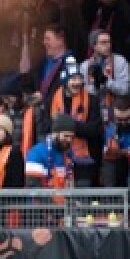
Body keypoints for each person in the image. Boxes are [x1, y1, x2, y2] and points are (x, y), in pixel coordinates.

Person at [41, 56, 101, 185]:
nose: (77, 82)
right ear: (65, 81)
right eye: (73, 79)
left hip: (84, 160)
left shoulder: (92, 100)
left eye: (79, 78)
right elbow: (45, 126)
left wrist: (69, 126)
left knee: (82, 197)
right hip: (57, 156)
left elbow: (96, 129)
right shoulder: (51, 100)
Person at [25, 114, 80, 189]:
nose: (69, 140)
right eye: (66, 136)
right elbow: (34, 187)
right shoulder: (37, 152)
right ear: (55, 133)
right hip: (44, 200)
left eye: (72, 137)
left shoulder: (67, 153)